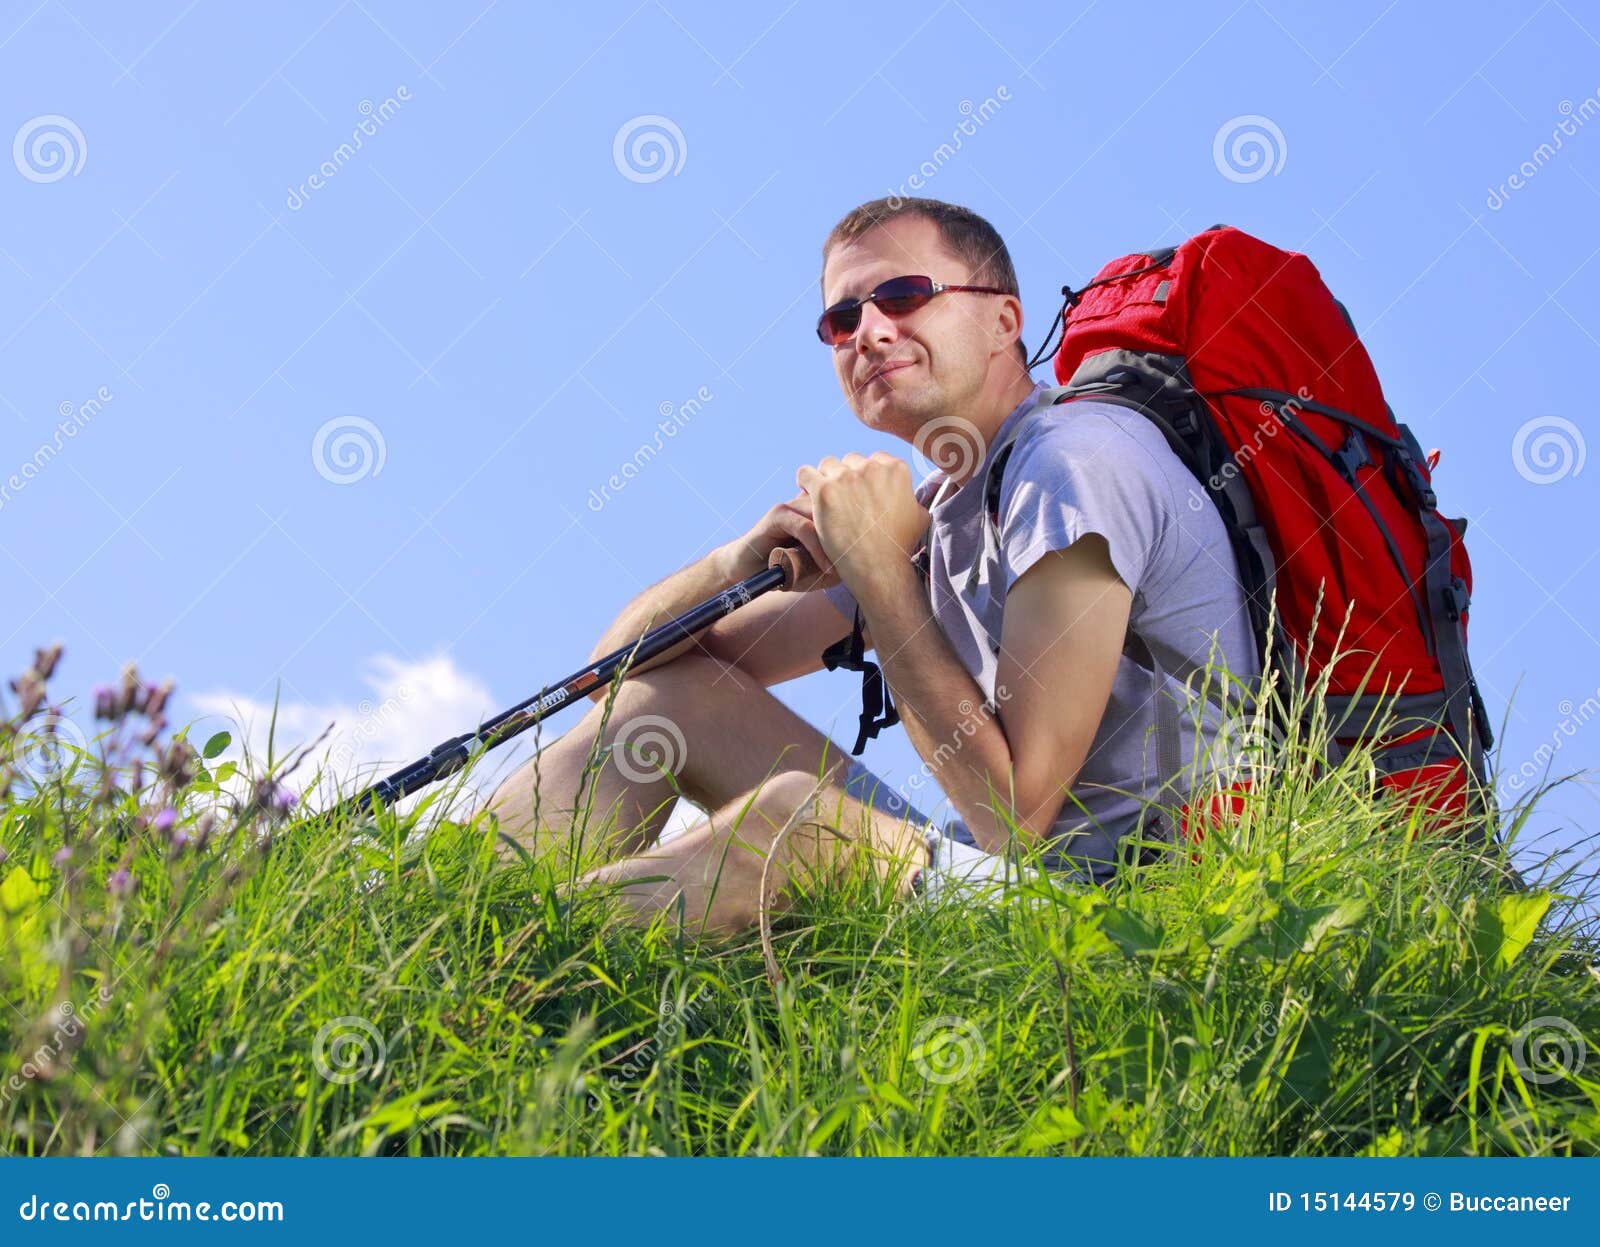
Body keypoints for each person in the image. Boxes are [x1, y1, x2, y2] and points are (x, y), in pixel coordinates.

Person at [485, 196, 1258, 932]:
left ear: (1004, 320)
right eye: (843, 316)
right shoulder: (939, 514)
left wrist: (876, 567)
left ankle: (499, 966)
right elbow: (614, 675)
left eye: (906, 294)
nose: (872, 331)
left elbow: (1016, 822)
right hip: (1011, 885)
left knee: (798, 824)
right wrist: (733, 560)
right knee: (657, 706)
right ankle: (448, 919)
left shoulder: (1076, 465)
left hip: (1138, 914)